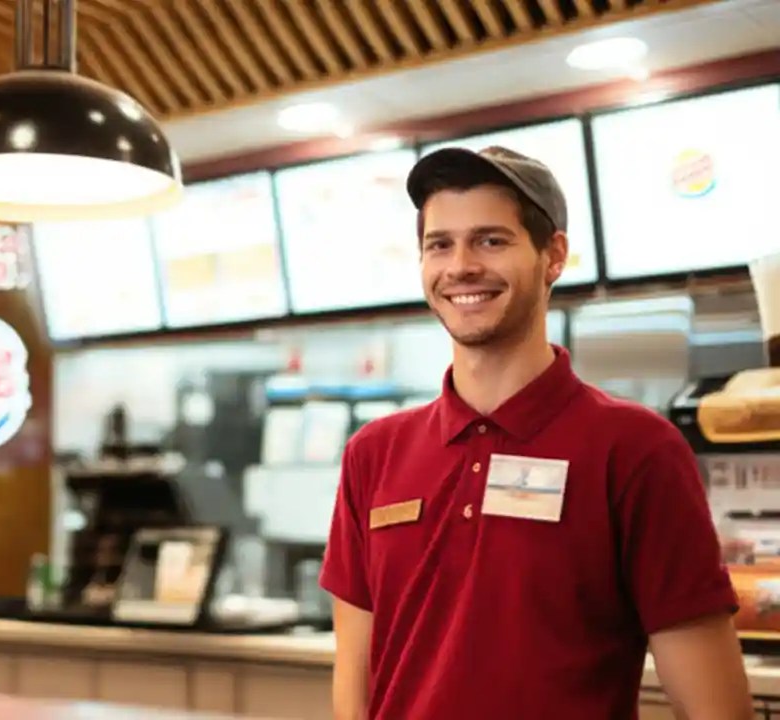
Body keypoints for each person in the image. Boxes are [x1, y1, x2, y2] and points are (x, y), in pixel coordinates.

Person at [320, 145, 752, 719]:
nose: (461, 266)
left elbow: (714, 708)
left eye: (491, 240)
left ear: (553, 256)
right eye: (439, 244)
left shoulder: (635, 449)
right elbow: (355, 675)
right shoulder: (373, 455)